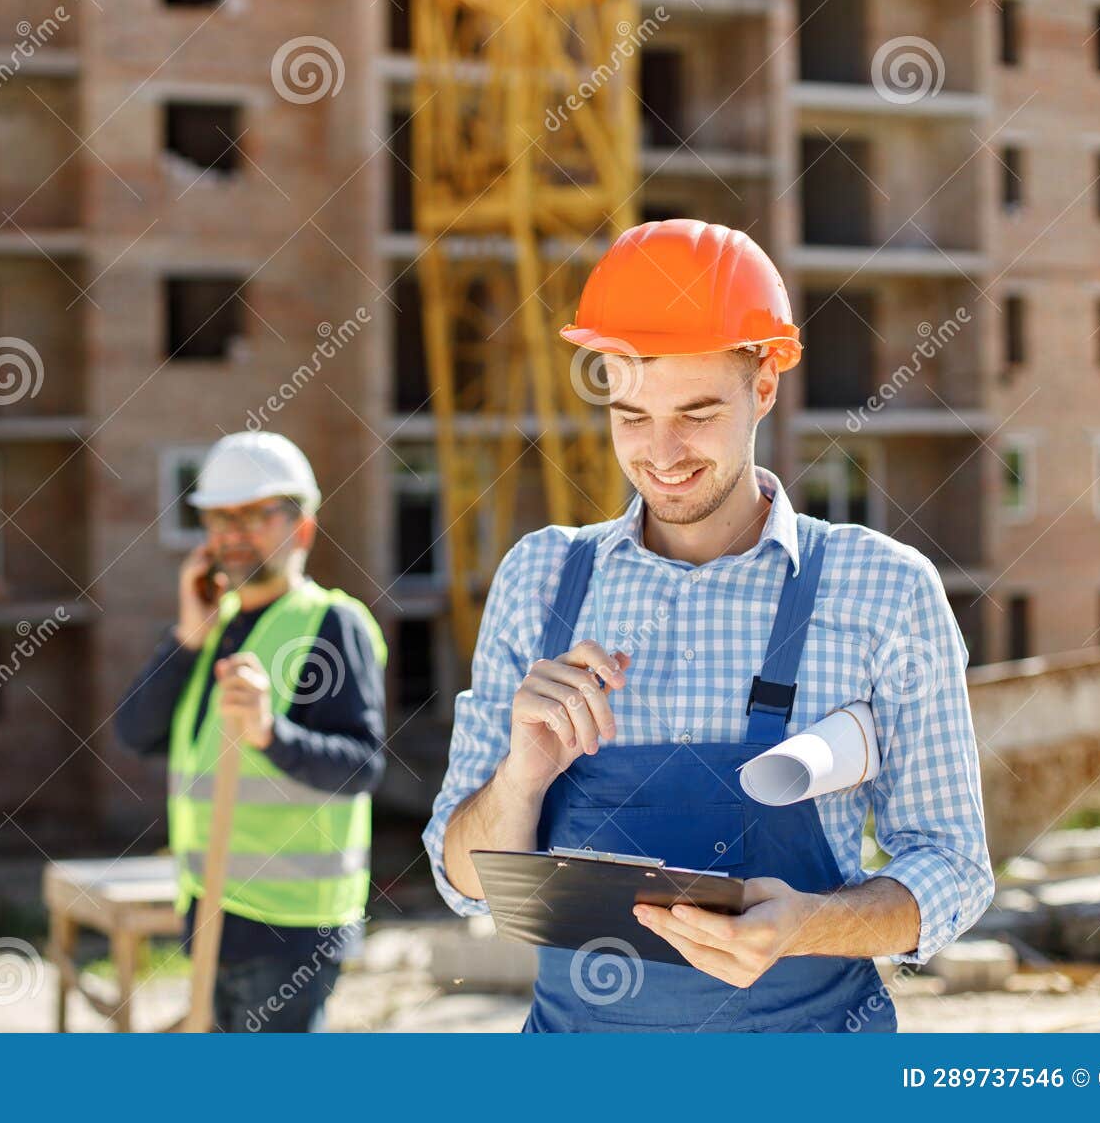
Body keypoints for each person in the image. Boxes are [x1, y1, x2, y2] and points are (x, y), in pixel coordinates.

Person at [423, 219, 994, 1032]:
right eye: (630, 415)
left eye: (696, 412)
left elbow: (954, 867)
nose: (662, 453)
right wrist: (522, 775)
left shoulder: (884, 592)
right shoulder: (540, 579)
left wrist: (809, 925)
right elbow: (463, 876)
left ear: (764, 385)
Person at [116, 431, 386, 1032]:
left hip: (290, 931)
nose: (232, 535)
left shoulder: (332, 625)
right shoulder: (216, 626)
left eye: (252, 516)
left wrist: (270, 733)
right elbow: (135, 734)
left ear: (302, 528)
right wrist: (187, 637)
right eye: (218, 518)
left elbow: (362, 766)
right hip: (214, 915)